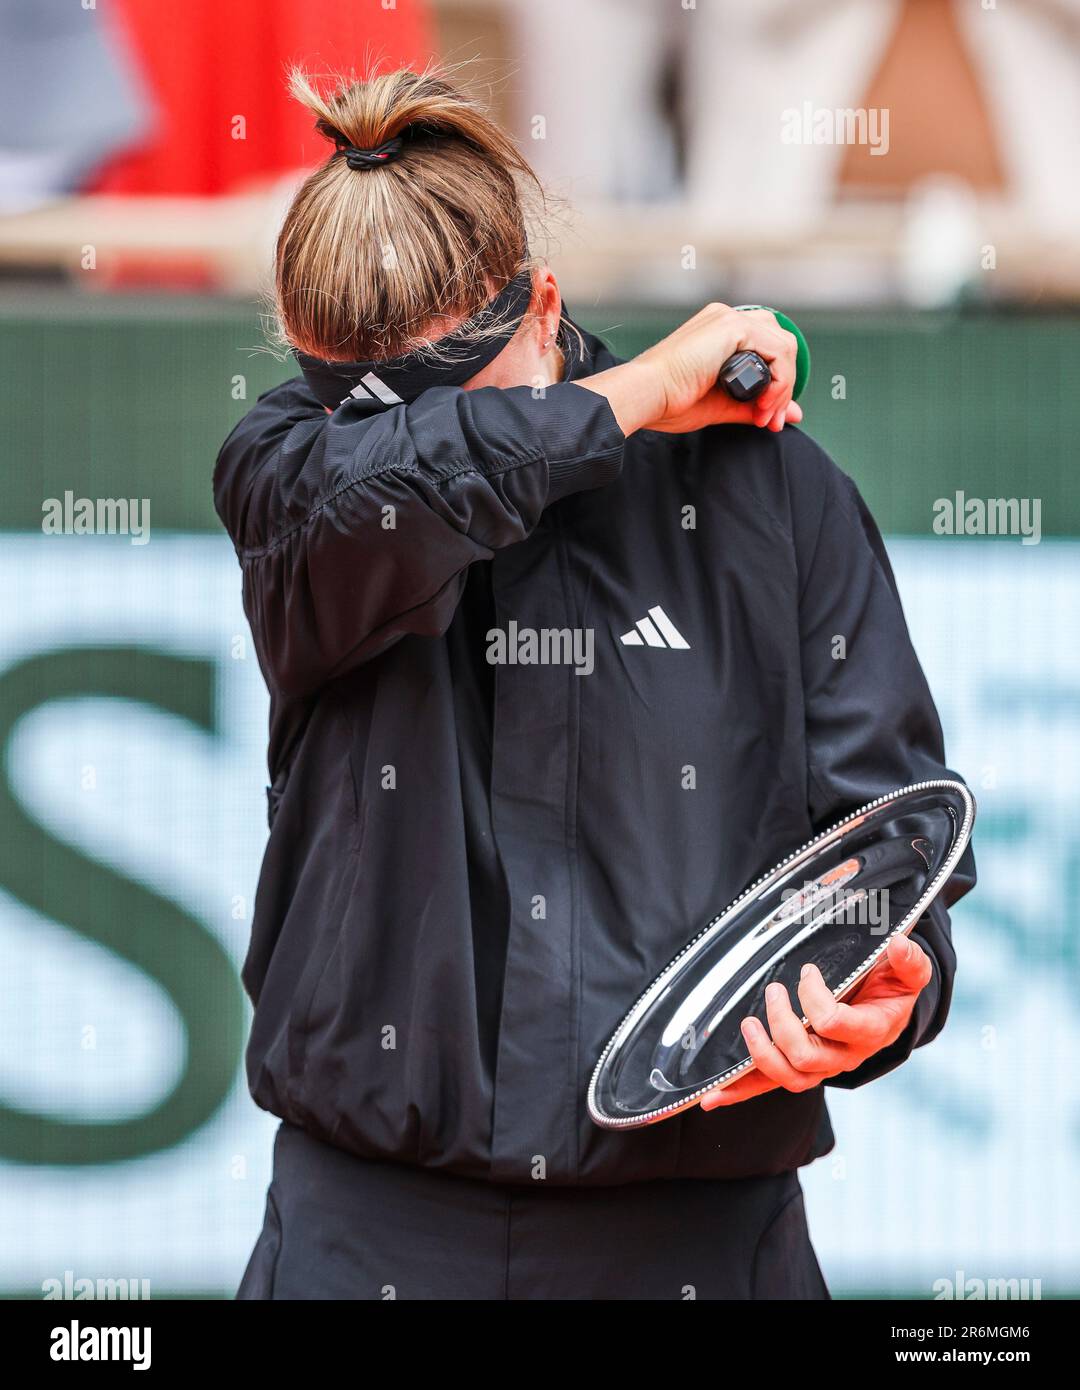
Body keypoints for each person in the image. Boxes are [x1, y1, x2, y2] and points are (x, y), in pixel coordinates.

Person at [214, 63, 976, 1301]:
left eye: (443, 392)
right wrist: (630, 399)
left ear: (542, 303)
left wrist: (890, 988)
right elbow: (404, 479)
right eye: (348, 404)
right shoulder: (291, 476)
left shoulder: (771, 491)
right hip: (367, 1236)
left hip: (700, 1234)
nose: (387, 432)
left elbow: (889, 842)